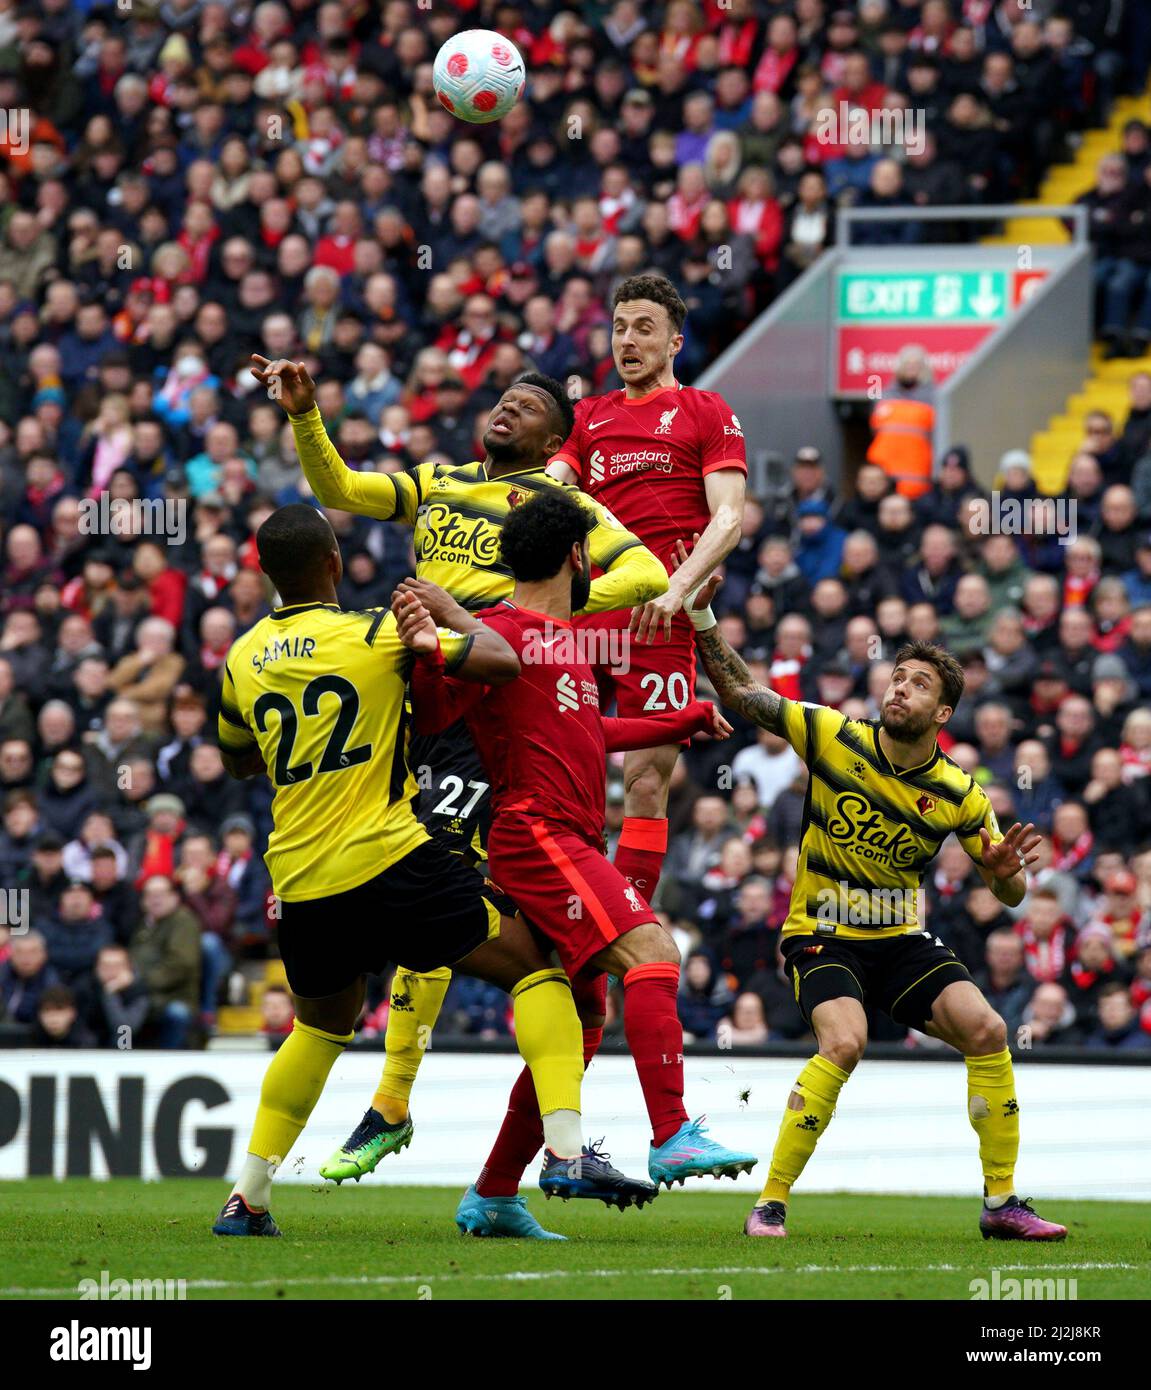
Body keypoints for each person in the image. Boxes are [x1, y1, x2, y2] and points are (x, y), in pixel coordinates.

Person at [250, 353, 667, 1187]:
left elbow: (647, 573)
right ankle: (507, 1139)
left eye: (526, 405)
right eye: (502, 399)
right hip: (423, 688)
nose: (505, 410)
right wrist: (304, 412)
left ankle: (397, 1103)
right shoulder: (438, 480)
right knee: (426, 876)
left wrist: (534, 617)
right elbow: (341, 489)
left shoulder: (559, 505)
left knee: (440, 872)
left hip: (490, 689)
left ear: (557, 436)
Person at [210, 502, 654, 1237]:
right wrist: (445, 622)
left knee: (318, 1029)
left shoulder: (240, 658)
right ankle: (568, 1152)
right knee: (537, 970)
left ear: (264, 575)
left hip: (300, 879)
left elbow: (236, 757)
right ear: (333, 564)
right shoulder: (374, 631)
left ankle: (247, 1199)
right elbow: (502, 660)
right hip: (389, 856)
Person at [335, 490, 754, 1238]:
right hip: (537, 836)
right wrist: (429, 645)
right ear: (577, 556)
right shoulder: (497, 632)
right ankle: (671, 1134)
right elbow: (432, 716)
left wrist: (682, 718)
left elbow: (587, 728)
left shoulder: (560, 639)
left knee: (586, 1017)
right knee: (654, 952)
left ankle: (493, 1194)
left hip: (565, 839)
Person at [680, 552, 1066, 1241]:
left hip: (897, 937)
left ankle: (1001, 1204)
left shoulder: (960, 794)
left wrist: (1004, 870)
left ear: (942, 711)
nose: (899, 690)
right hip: (821, 932)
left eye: (917, 685)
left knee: (986, 1030)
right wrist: (702, 614)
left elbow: (1009, 894)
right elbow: (743, 695)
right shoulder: (833, 735)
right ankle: (769, 1204)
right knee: (846, 1041)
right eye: (896, 678)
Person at [547, 274, 748, 907]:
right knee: (559, 771)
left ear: (675, 342)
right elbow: (546, 495)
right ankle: (568, 903)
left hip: (661, 623)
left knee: (644, 785)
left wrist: (676, 591)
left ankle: (628, 917)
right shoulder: (588, 416)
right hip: (588, 617)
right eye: (619, 327)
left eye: (644, 328)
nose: (627, 341)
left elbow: (730, 518)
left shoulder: (706, 412)